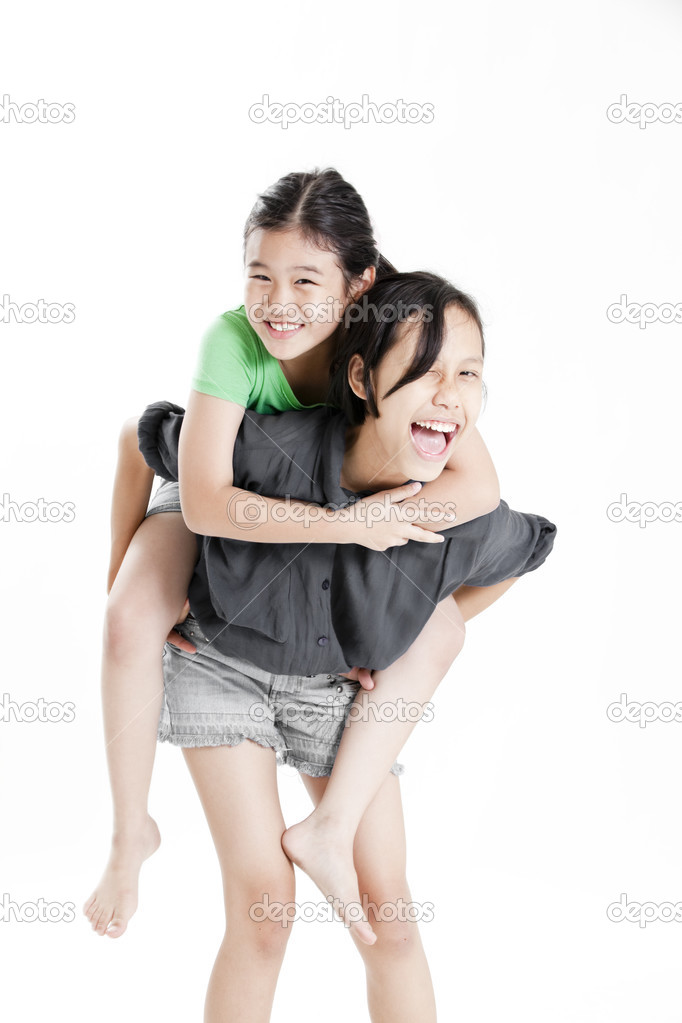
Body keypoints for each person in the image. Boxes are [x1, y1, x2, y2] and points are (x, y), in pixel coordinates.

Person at [84, 170, 502, 940]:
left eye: (306, 280)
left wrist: (377, 579)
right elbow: (205, 498)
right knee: (126, 617)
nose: (279, 303)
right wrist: (127, 574)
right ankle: (127, 832)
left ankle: (333, 825)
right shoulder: (233, 341)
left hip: (329, 519)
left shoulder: (387, 338)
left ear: (361, 283)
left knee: (441, 627)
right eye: (259, 277)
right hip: (227, 499)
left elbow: (479, 488)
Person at [136, 270, 556, 1021]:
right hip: (222, 661)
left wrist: (412, 628)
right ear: (361, 378)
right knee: (266, 907)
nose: (450, 393)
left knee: (388, 915)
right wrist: (127, 580)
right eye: (426, 372)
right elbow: (149, 441)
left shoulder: (451, 503)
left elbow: (525, 547)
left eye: (468, 373)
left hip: (332, 682)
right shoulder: (276, 445)